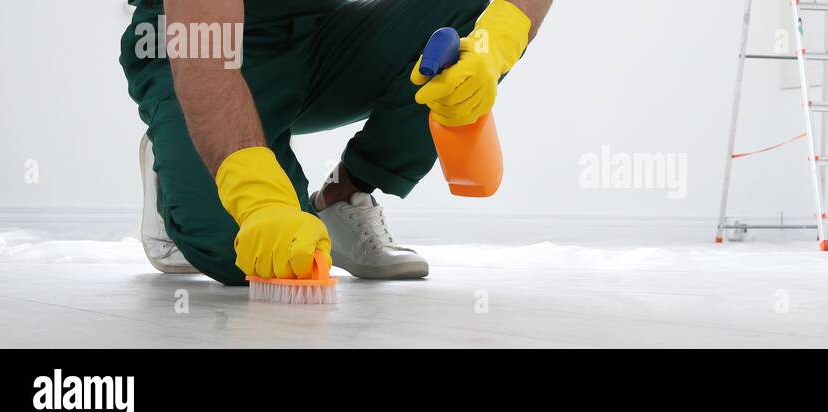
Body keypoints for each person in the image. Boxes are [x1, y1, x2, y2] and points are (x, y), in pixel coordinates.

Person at [120, 0, 552, 284]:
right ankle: (180, 159)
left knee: (474, 12)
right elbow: (204, 53)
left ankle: (342, 196)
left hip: (323, 29)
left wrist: (494, 45)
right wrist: (258, 200)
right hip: (195, 40)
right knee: (251, 253)